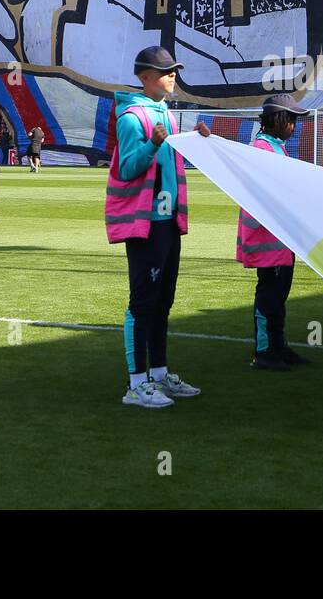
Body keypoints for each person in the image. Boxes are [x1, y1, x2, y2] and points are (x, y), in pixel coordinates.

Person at [106, 46, 208, 408]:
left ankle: (161, 376)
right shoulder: (132, 117)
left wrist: (195, 140)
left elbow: (171, 161)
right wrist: (153, 142)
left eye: (174, 71)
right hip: (145, 223)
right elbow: (128, 167)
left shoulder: (166, 113)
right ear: (145, 77)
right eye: (166, 72)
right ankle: (136, 384)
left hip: (166, 221)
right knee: (142, 303)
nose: (173, 76)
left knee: (163, 301)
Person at [239, 94, 311, 373]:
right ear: (278, 119)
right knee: (269, 293)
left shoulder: (272, 146)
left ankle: (277, 345)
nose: (294, 125)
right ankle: (265, 350)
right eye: (291, 119)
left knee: (278, 293)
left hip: (279, 236)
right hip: (268, 236)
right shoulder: (261, 148)